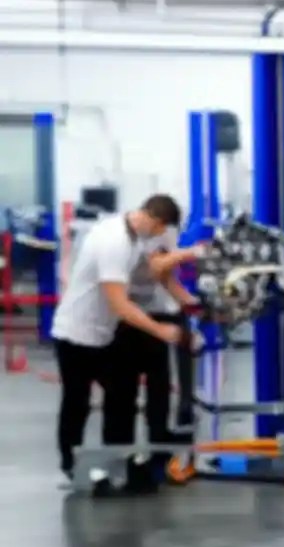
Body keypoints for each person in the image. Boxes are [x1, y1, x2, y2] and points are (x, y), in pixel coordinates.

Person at [51, 195, 187, 482]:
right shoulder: (115, 241)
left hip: (102, 334)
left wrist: (187, 301)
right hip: (76, 334)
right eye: (162, 230)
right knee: (78, 401)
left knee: (120, 396)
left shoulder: (131, 236)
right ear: (156, 221)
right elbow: (120, 305)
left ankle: (116, 460)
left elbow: (155, 271)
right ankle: (70, 462)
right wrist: (160, 330)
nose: (161, 237)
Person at [101, 224, 203, 491]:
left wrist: (192, 304)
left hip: (157, 319)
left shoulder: (165, 236)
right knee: (123, 394)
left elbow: (167, 279)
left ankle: (159, 457)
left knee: (160, 393)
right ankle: (119, 458)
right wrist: (193, 252)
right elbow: (157, 265)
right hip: (128, 321)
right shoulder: (130, 241)